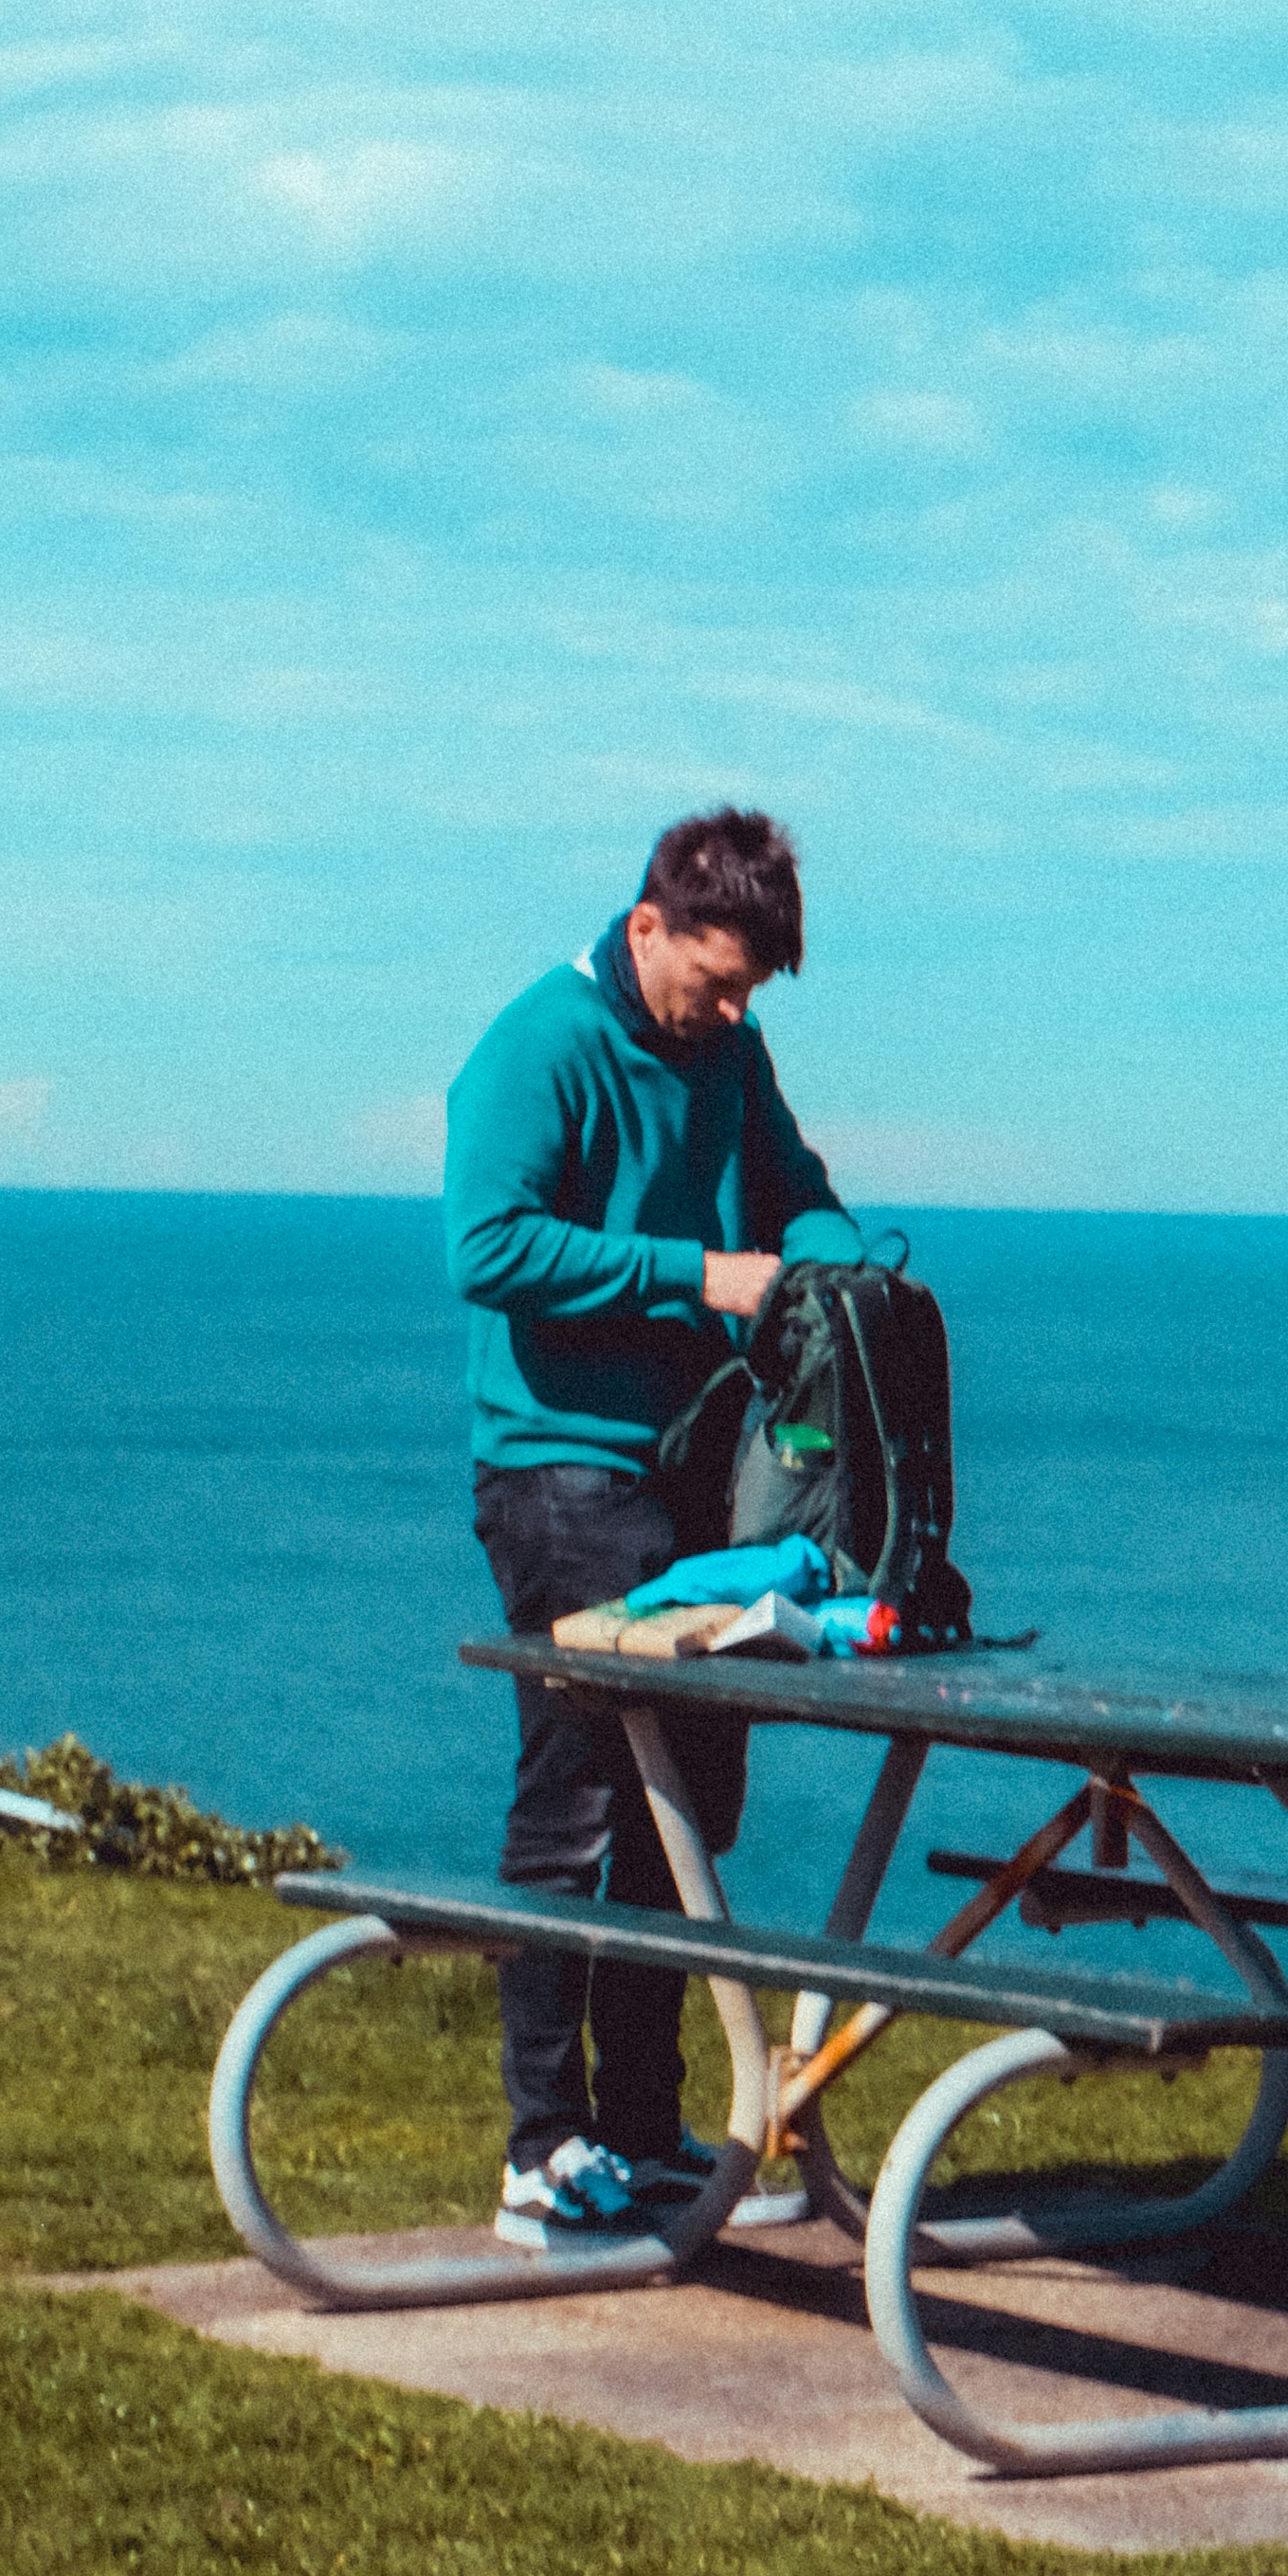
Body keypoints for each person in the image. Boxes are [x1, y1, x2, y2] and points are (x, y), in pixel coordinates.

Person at [444, 805, 864, 2243]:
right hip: (559, 1473)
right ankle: (539, 2147)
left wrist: (836, 1268)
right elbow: (485, 1245)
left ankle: (640, 2124)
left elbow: (791, 1192)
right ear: (647, 927)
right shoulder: (537, 1045)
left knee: (683, 1806)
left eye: (751, 992)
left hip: (699, 1480)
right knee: (577, 1797)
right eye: (717, 981)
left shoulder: (727, 1050)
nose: (733, 1013)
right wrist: (701, 1276)